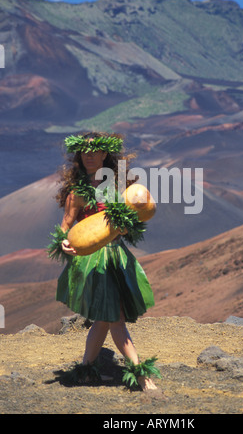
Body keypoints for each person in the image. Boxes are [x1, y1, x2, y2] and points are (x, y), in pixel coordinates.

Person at [48, 131, 160, 391]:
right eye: (84, 151)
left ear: (105, 154)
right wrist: (63, 242)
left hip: (117, 257)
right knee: (116, 317)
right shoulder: (77, 193)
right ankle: (141, 375)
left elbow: (135, 222)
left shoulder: (120, 189)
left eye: (95, 150)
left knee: (104, 319)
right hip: (91, 262)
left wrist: (126, 227)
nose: (89, 155)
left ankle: (86, 371)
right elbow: (65, 226)